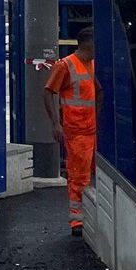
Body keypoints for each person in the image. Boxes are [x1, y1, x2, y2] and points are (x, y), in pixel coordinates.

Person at [44, 26, 98, 236]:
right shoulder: (65, 65)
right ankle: (77, 221)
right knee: (79, 176)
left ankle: (85, 217)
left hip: (92, 129)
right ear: (88, 44)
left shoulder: (92, 64)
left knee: (88, 175)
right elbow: (48, 92)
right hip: (77, 131)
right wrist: (56, 123)